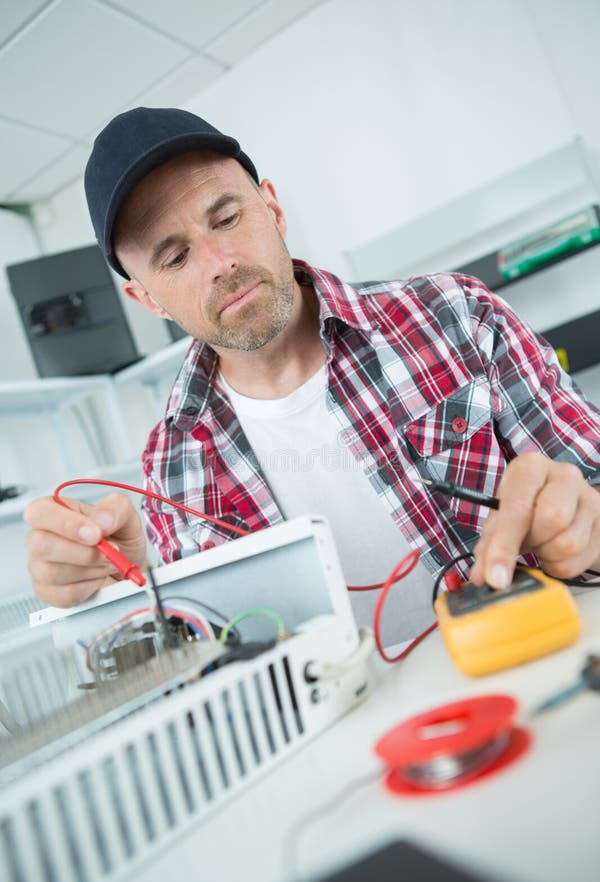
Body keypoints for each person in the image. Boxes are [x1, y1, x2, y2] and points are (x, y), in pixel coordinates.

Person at [23, 107, 600, 641]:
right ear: (148, 298)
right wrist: (132, 589)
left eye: (226, 218)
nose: (220, 262)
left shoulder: (456, 316)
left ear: (272, 208)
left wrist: (586, 526)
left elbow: (592, 494)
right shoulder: (170, 464)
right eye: (175, 258)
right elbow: (218, 664)